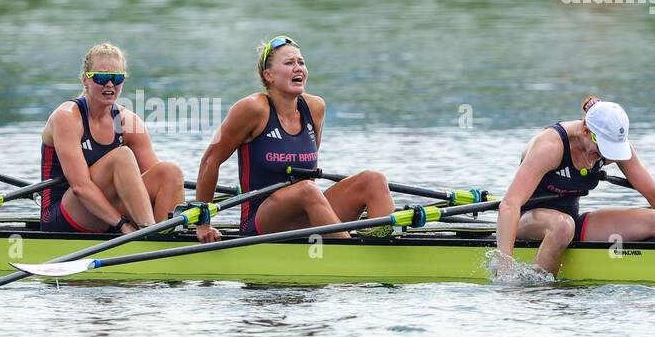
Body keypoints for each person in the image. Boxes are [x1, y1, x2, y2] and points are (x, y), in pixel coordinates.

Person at [192, 35, 393, 242]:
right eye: (289, 63)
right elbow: (210, 161)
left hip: (306, 210)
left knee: (373, 180)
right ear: (268, 75)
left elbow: (309, 171)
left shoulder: (315, 108)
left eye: (301, 62)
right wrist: (203, 224)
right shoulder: (251, 109)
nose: (298, 68)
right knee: (307, 190)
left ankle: (385, 246)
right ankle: (351, 255)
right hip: (262, 221)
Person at [496, 96, 655, 274]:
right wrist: (505, 264)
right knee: (563, 226)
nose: (605, 157)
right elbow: (509, 204)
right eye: (601, 150)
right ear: (586, 130)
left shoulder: (612, 144)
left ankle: (639, 282)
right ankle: (540, 291)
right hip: (528, 221)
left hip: (571, 223)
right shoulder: (550, 146)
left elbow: (653, 192)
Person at [39, 43, 184, 235]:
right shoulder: (67, 117)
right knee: (122, 157)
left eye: (116, 78)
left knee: (169, 173)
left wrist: (200, 221)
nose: (109, 85)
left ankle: (168, 236)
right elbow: (80, 187)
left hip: (108, 215)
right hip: (63, 217)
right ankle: (149, 235)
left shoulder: (129, 122)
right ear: (85, 80)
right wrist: (122, 225)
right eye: (101, 77)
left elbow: (152, 184)